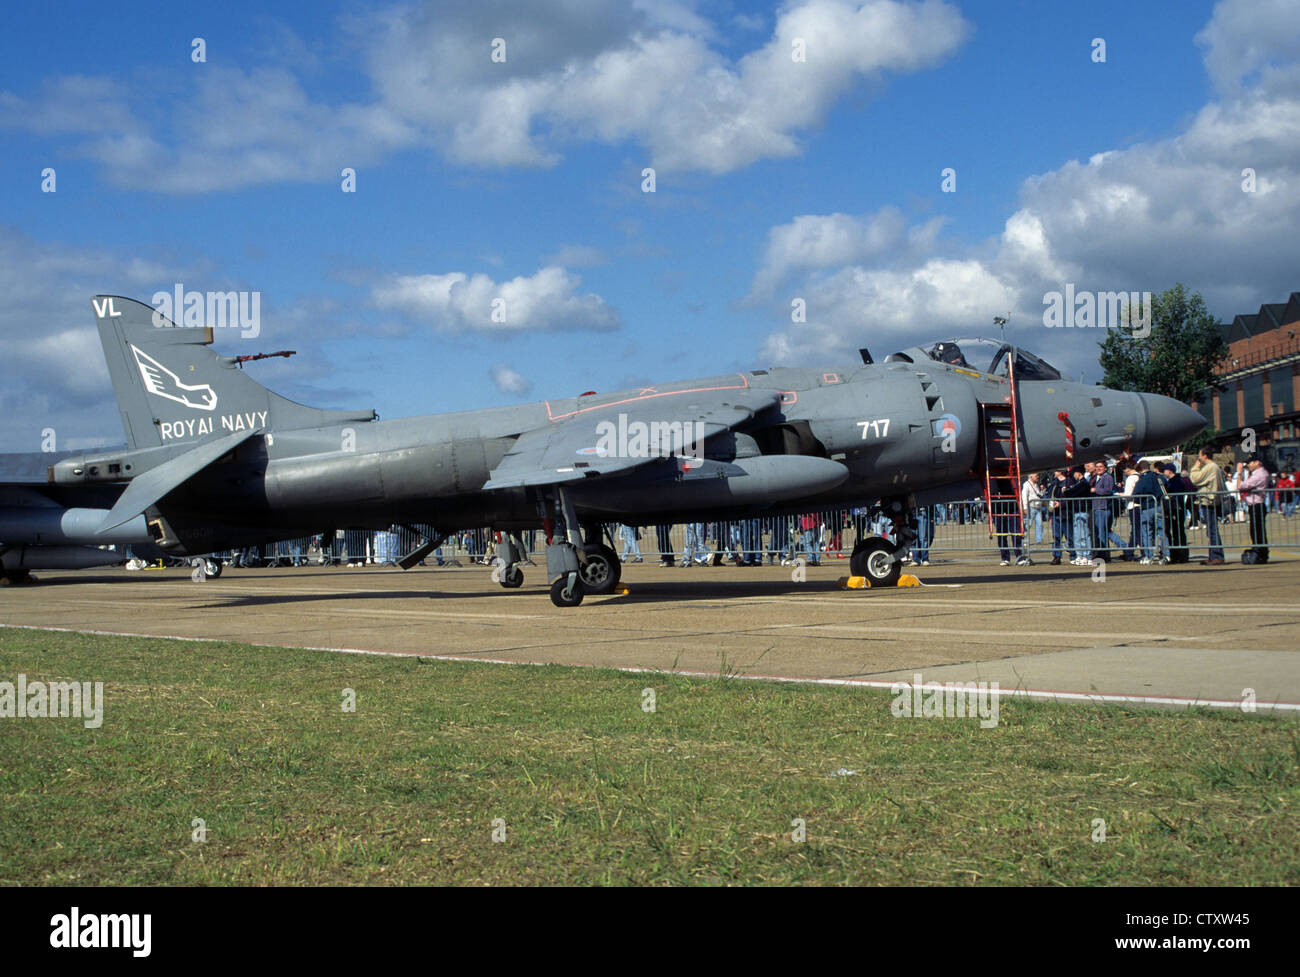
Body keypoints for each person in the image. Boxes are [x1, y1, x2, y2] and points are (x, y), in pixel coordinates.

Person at [1190, 448, 1227, 564]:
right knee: (1211, 530)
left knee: (1212, 530)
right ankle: (1213, 555)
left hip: (1209, 501)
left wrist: (1196, 466)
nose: (1198, 458)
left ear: (1205, 456)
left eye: (1199, 455)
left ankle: (1217, 555)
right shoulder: (1214, 467)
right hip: (1212, 500)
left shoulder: (1210, 467)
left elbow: (1195, 478)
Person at [1132, 460, 1167, 564]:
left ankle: (1149, 555)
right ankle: (1166, 554)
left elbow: (1136, 495)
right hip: (1159, 505)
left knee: (1147, 532)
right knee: (1161, 531)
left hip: (1147, 507)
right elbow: (1165, 486)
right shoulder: (1158, 477)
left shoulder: (1142, 480)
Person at [1238, 456, 1271, 561]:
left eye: (1250, 463)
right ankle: (1259, 551)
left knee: (1257, 531)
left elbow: (1241, 485)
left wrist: (1239, 473)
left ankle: (1260, 552)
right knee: (1256, 530)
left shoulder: (1260, 474)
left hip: (1257, 505)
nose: (1248, 465)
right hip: (1254, 505)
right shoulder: (1256, 474)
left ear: (1257, 462)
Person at [1162, 462, 1194, 563]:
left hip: (1176, 509)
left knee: (1178, 532)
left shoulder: (1175, 481)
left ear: (1169, 471)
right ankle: (1179, 554)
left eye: (1165, 470)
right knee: (1178, 532)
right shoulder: (1176, 480)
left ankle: (1180, 555)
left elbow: (1175, 495)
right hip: (1177, 508)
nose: (1164, 472)